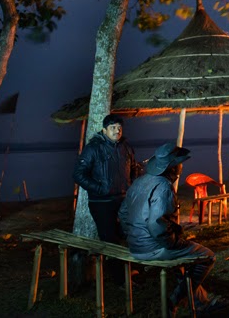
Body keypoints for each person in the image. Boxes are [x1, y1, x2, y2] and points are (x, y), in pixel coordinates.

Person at [118, 143, 220, 315]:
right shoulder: (163, 187)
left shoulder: (140, 182)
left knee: (182, 263)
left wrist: (134, 235)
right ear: (172, 168)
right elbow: (156, 224)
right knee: (207, 256)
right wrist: (172, 242)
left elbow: (123, 213)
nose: (181, 168)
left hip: (135, 245)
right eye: (179, 164)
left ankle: (201, 301)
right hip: (154, 248)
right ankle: (174, 300)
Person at [72, 113, 141, 244]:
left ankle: (124, 263)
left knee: (126, 235)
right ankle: (111, 264)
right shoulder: (93, 148)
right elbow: (78, 174)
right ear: (104, 130)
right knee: (109, 239)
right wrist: (100, 188)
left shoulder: (126, 147)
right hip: (101, 202)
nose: (117, 131)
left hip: (123, 199)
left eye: (119, 127)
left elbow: (134, 168)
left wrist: (131, 186)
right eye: (113, 127)